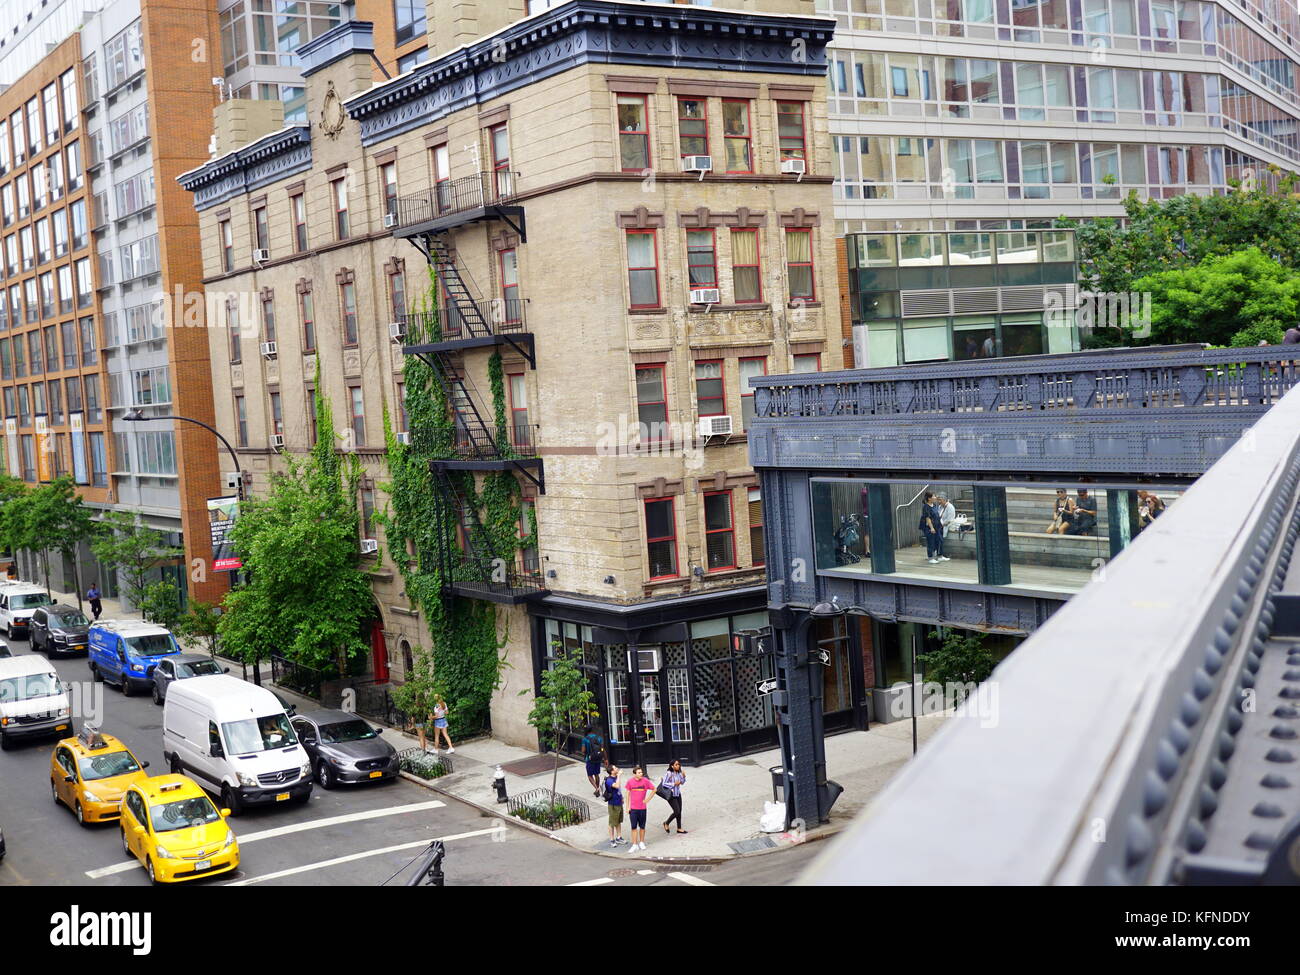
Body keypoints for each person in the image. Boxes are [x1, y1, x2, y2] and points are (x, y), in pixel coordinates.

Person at [624, 765, 656, 853]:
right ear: (634, 774)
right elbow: (627, 794)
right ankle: (634, 844)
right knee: (633, 827)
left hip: (642, 808)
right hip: (633, 809)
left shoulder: (645, 781)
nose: (641, 774)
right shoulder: (630, 782)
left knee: (642, 826)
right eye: (639, 772)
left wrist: (647, 799)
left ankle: (641, 842)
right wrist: (627, 807)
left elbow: (654, 789)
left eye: (641, 772)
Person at [659, 759, 687, 834]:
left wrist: (684, 777)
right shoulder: (669, 773)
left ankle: (679, 828)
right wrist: (674, 784)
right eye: (676, 764)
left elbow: (682, 782)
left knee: (679, 811)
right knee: (676, 811)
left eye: (678, 764)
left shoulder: (679, 773)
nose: (678, 766)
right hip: (671, 794)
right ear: (672, 766)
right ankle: (666, 823)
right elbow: (664, 783)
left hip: (678, 793)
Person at [918, 492, 946, 564]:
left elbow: (937, 515)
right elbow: (927, 518)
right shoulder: (926, 507)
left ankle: (940, 556)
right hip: (929, 527)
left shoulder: (934, 505)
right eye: (934, 496)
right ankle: (930, 558)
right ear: (929, 498)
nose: (935, 497)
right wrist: (931, 528)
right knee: (931, 542)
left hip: (937, 526)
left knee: (940, 540)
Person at [604, 765, 626, 848]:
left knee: (618, 821)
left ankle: (619, 837)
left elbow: (618, 789)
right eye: (615, 768)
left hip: (619, 802)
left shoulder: (615, 777)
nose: (617, 768)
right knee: (612, 822)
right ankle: (612, 839)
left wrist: (622, 797)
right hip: (613, 804)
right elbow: (616, 786)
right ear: (612, 771)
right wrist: (619, 775)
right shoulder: (609, 780)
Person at [581, 725, 606, 798]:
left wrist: (585, 751)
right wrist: (605, 759)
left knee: (589, 776)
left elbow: (583, 751)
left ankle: (597, 788)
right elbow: (602, 749)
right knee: (596, 774)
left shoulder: (585, 739)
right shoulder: (599, 738)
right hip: (598, 758)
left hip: (589, 759)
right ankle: (597, 788)